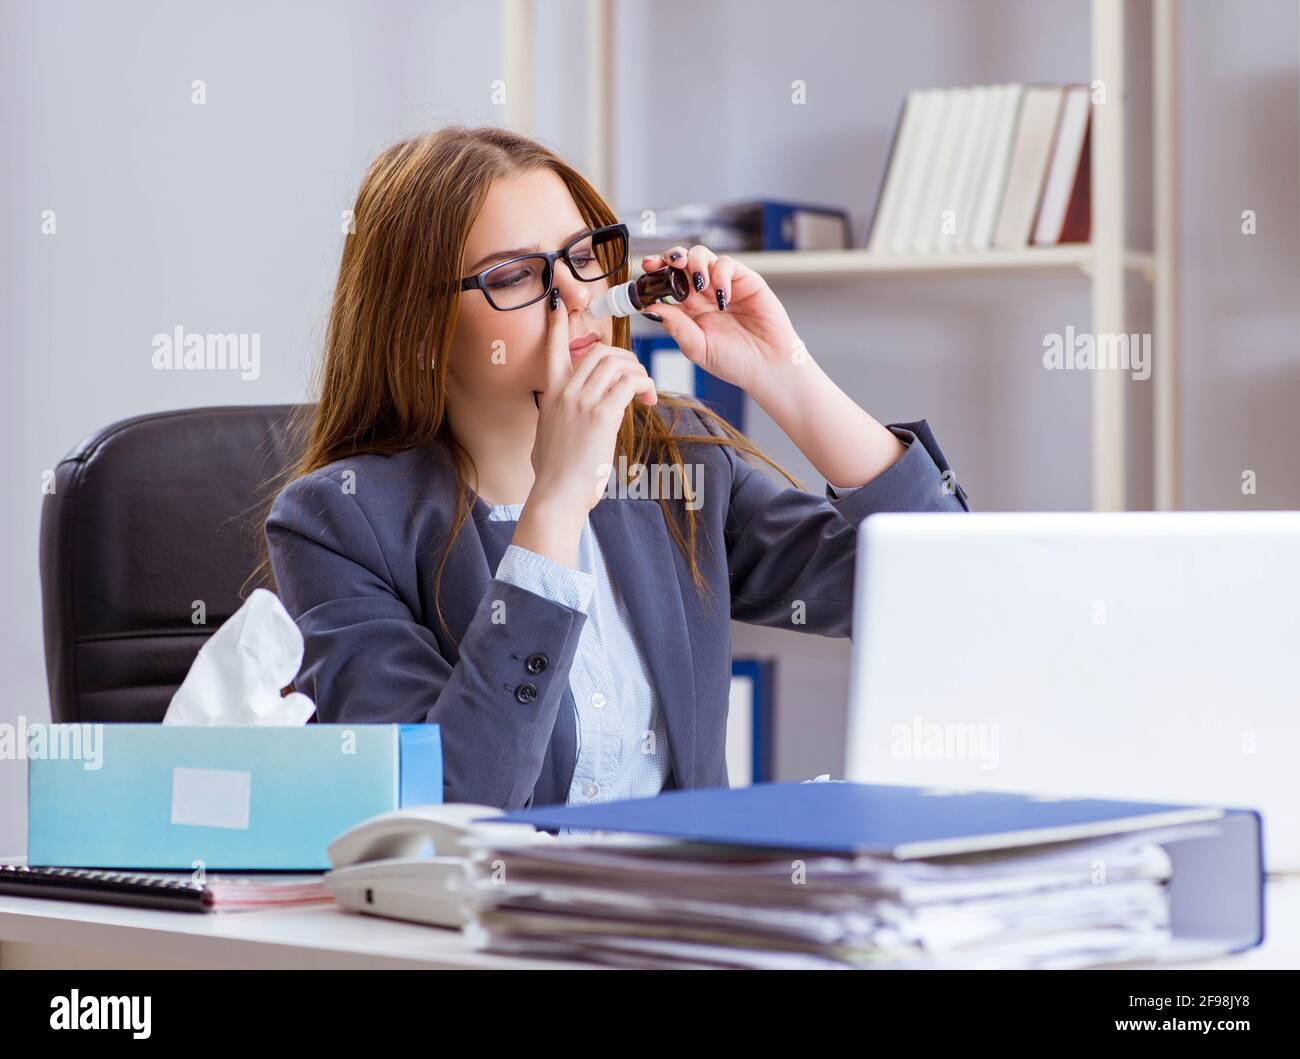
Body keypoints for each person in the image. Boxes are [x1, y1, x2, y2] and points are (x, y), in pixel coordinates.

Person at [265, 125, 969, 810]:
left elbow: (938, 587)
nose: (574, 296)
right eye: (513, 275)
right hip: (489, 924)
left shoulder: (672, 460)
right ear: (419, 330)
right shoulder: (337, 523)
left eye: (581, 257)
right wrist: (557, 503)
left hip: (682, 912)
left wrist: (781, 371)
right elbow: (449, 804)